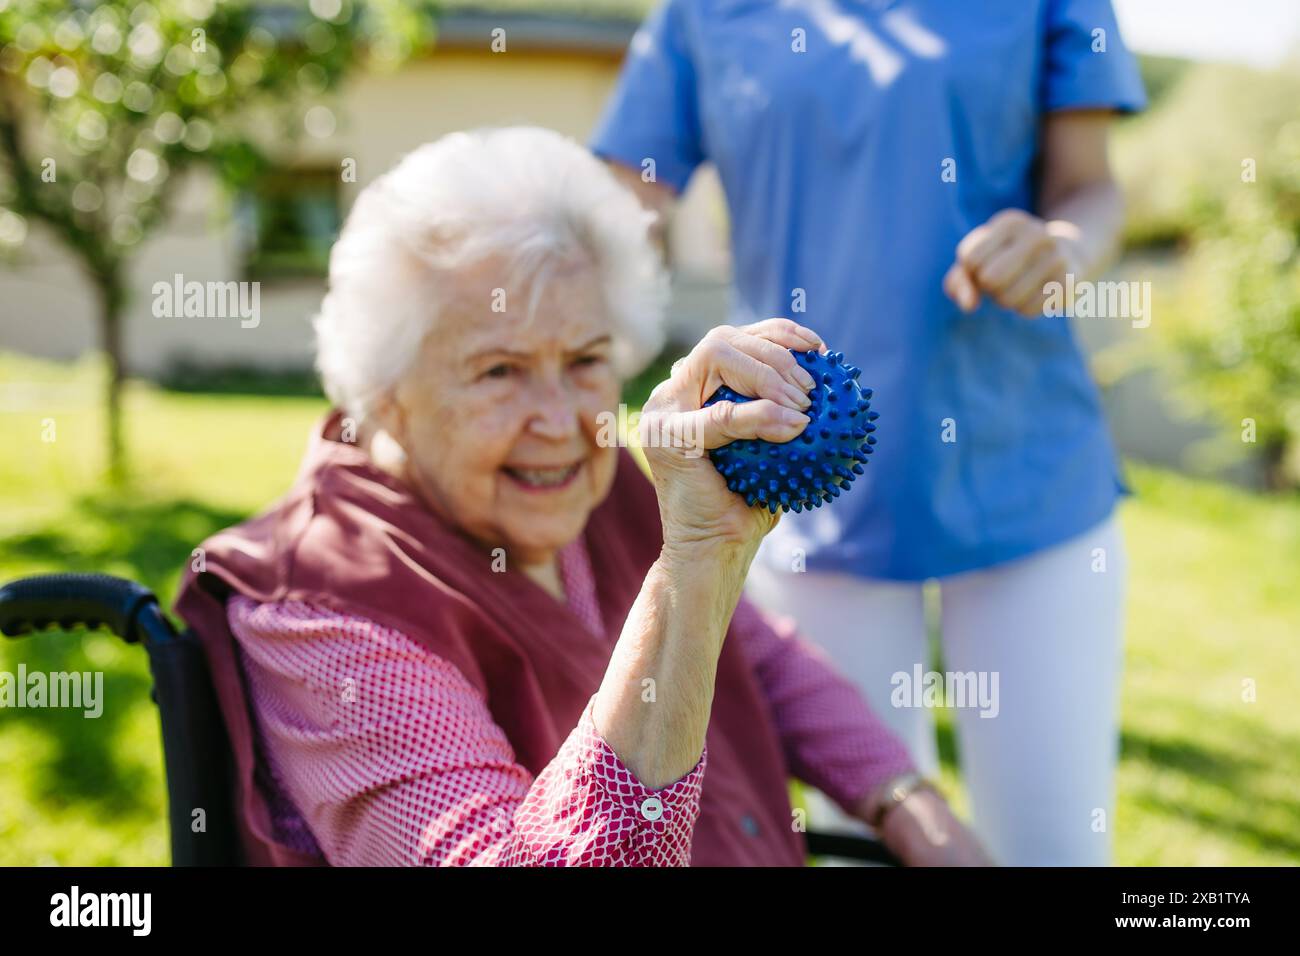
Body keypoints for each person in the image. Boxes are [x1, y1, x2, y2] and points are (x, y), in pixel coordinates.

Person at [174, 127, 990, 866]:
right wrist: (694, 567)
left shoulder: (612, 492)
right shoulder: (321, 608)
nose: (563, 423)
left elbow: (758, 656)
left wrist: (903, 799)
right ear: (383, 392)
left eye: (588, 361)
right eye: (499, 371)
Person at [591, 0, 1146, 864]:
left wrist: (1064, 248)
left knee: (1056, 848)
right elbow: (622, 207)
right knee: (873, 841)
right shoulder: (701, 13)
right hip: (792, 486)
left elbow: (1090, 187)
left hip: (1025, 467)